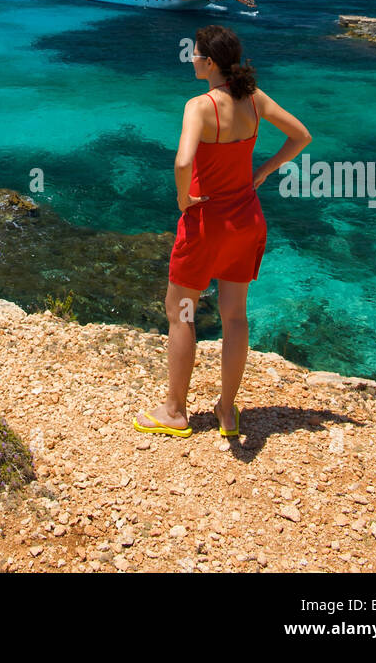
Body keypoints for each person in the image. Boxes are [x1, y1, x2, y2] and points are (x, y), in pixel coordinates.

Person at [134, 24, 311, 440]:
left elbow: (182, 162)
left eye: (195, 54)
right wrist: (263, 171)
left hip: (205, 224)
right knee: (235, 317)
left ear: (209, 62)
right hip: (246, 221)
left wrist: (183, 199)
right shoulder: (254, 99)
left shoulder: (200, 106)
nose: (191, 59)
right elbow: (301, 136)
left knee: (181, 312)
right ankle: (227, 411)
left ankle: (175, 411)